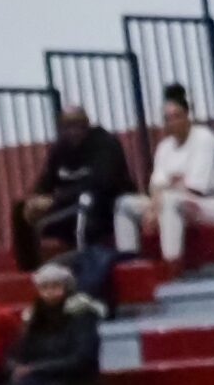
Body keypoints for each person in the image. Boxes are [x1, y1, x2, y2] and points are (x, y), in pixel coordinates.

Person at [14, 103, 134, 272]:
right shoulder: (60, 149)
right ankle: (29, 270)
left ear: (87, 123)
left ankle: (88, 264)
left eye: (78, 123)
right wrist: (35, 199)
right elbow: (46, 181)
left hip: (102, 209)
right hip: (67, 209)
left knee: (88, 200)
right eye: (67, 125)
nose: (73, 130)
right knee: (20, 208)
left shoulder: (105, 143)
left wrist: (54, 200)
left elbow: (102, 183)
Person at [114, 85, 214, 266]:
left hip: (209, 205)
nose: (172, 122)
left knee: (170, 200)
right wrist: (153, 208)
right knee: (124, 204)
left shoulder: (205, 138)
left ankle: (171, 263)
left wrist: (165, 194)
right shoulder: (164, 146)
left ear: (188, 116)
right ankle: (130, 263)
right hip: (171, 202)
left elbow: (194, 188)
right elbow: (156, 186)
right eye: (167, 119)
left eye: (177, 117)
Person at [0, 264, 101, 385]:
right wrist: (14, 367)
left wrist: (34, 370)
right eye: (44, 287)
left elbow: (82, 360)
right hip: (38, 381)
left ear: (66, 288)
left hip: (74, 383)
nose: (50, 292)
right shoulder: (35, 318)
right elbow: (14, 352)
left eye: (55, 286)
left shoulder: (82, 315)